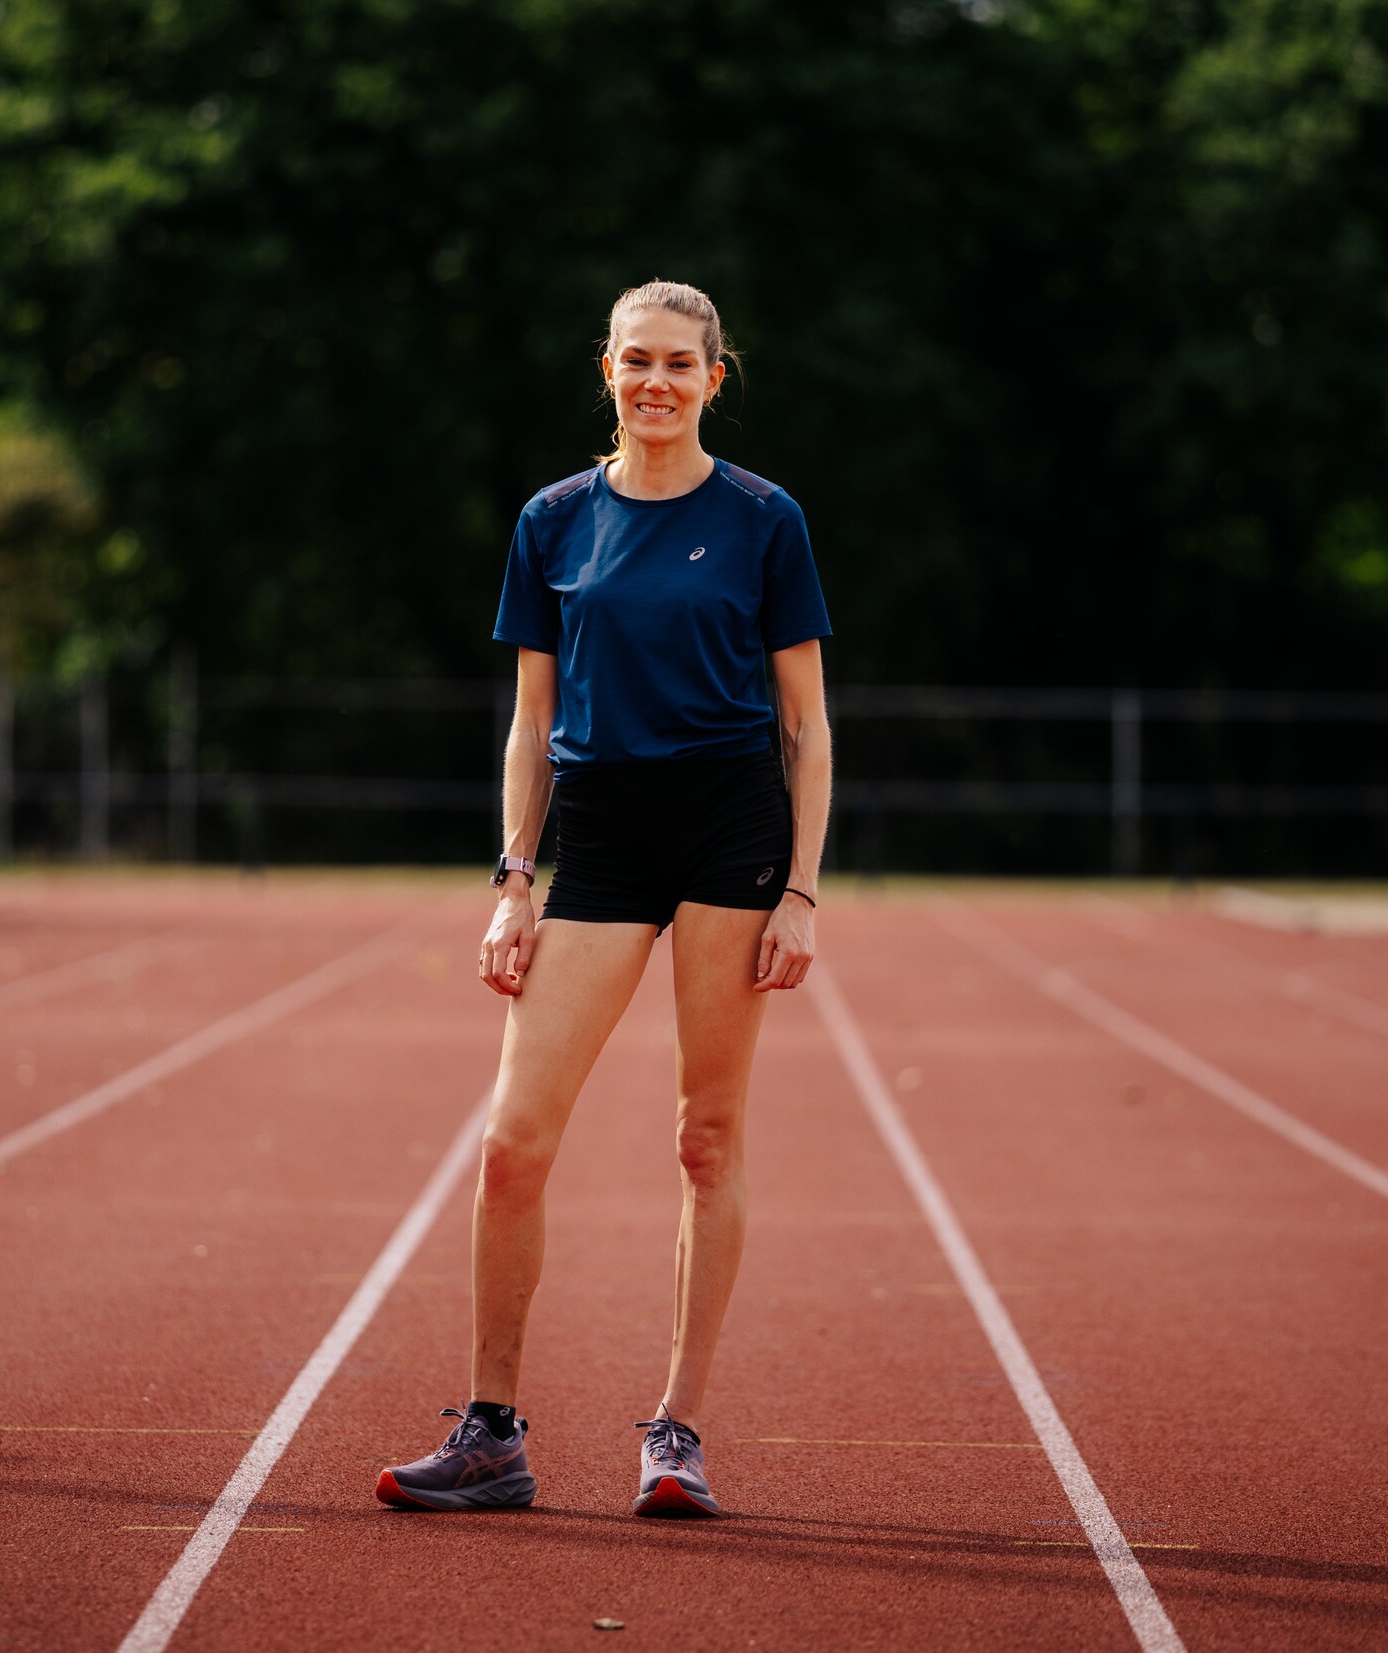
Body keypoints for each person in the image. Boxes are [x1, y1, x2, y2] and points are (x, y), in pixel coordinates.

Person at [376, 280, 833, 1518]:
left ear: (714, 378)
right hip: (604, 838)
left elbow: (805, 724)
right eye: (636, 360)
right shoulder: (552, 520)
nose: (656, 382)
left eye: (680, 363)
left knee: (705, 1137)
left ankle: (675, 1433)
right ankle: (490, 1435)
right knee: (510, 1144)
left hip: (732, 829)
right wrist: (511, 881)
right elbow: (530, 720)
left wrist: (799, 889)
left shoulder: (763, 519)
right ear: (606, 371)